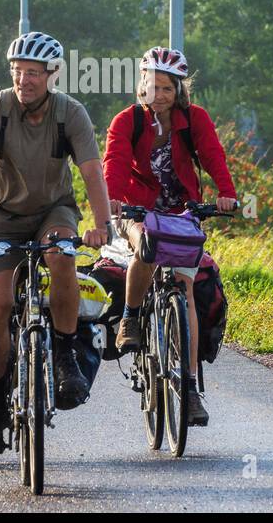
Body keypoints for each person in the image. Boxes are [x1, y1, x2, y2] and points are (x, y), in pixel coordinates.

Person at [0, 32, 112, 455]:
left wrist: (103, 224)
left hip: (53, 213)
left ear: (52, 75)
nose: (25, 80)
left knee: (62, 257)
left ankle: (63, 356)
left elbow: (93, 173)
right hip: (0, 218)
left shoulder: (69, 113)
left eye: (34, 74)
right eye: (19, 72)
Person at [102, 46, 237, 426]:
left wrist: (225, 193)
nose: (159, 95)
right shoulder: (127, 121)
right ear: (141, 85)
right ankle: (130, 317)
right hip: (136, 210)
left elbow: (213, 156)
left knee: (185, 286)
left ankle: (190, 387)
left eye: (167, 88)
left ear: (179, 90)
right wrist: (112, 198)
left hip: (182, 212)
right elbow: (112, 161)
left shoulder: (194, 119)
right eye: (153, 86)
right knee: (146, 246)